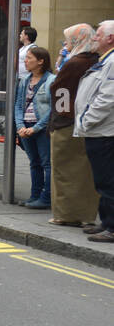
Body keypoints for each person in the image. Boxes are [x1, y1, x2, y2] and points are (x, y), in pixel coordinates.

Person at [48, 24, 100, 227]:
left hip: (67, 123)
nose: (66, 44)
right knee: (84, 172)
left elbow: (60, 92)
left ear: (77, 41)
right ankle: (86, 214)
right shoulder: (94, 60)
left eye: (68, 40)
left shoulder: (75, 63)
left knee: (65, 170)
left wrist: (58, 119)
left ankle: (67, 214)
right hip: (85, 121)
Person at [74, 20, 114, 242]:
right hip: (98, 130)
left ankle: (112, 226)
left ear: (110, 38)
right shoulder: (106, 59)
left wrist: (87, 122)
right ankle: (106, 221)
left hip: (104, 131)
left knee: (108, 180)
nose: (94, 38)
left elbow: (107, 98)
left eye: (98, 34)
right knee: (102, 179)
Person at [14, 46, 55, 209]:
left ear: (41, 61)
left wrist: (36, 128)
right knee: (34, 163)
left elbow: (54, 108)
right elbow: (18, 104)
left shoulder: (52, 80)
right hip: (25, 127)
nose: (25, 61)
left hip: (41, 129)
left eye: (29, 58)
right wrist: (20, 126)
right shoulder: (25, 80)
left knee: (46, 163)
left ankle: (46, 198)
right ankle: (34, 196)